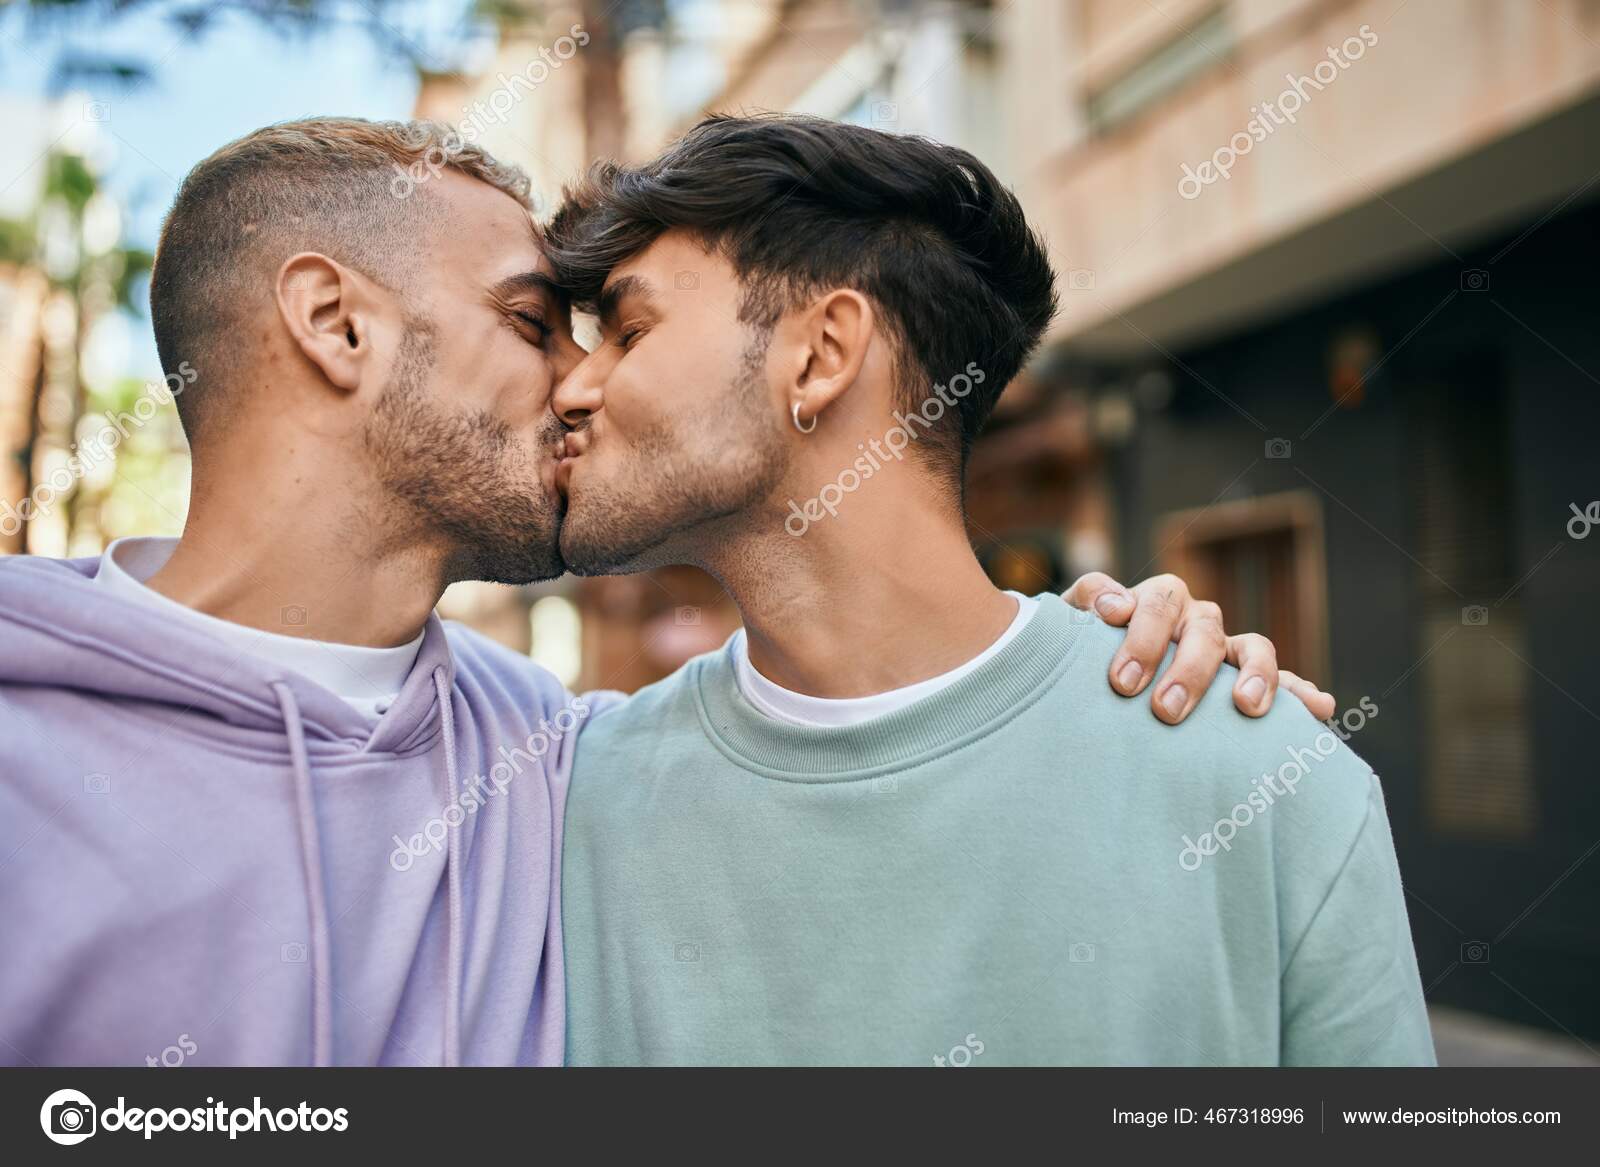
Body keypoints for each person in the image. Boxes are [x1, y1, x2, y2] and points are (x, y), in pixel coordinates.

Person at [0, 117, 1325, 1067]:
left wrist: (1097, 651)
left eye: (607, 332)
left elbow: (879, 731)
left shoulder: (565, 762)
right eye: (533, 322)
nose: (575, 385)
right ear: (337, 327)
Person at [547, 114, 1435, 1066]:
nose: (570, 388)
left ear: (820, 354)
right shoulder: (566, 800)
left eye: (629, 331)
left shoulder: (1267, 779)